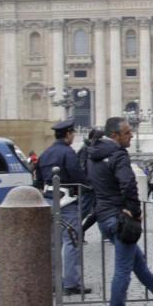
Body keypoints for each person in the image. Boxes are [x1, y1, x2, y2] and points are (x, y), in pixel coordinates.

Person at [89, 117, 153, 306]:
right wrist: (134, 212)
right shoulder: (118, 155)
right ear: (114, 136)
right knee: (123, 269)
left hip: (104, 218)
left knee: (139, 263)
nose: (131, 135)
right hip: (120, 218)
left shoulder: (93, 155)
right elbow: (128, 183)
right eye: (127, 133)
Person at [36, 119, 92, 296]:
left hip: (48, 199)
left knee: (53, 243)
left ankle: (53, 281)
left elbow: (37, 180)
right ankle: (71, 283)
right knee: (71, 241)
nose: (73, 136)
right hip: (66, 201)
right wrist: (88, 185)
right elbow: (78, 176)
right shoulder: (68, 153)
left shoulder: (45, 154)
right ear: (68, 134)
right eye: (72, 133)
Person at [77, 127, 102, 236]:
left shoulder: (92, 149)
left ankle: (81, 231)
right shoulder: (85, 149)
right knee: (83, 211)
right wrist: (88, 183)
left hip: (94, 185)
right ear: (93, 138)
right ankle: (76, 231)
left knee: (98, 211)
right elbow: (82, 167)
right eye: (99, 138)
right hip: (88, 187)